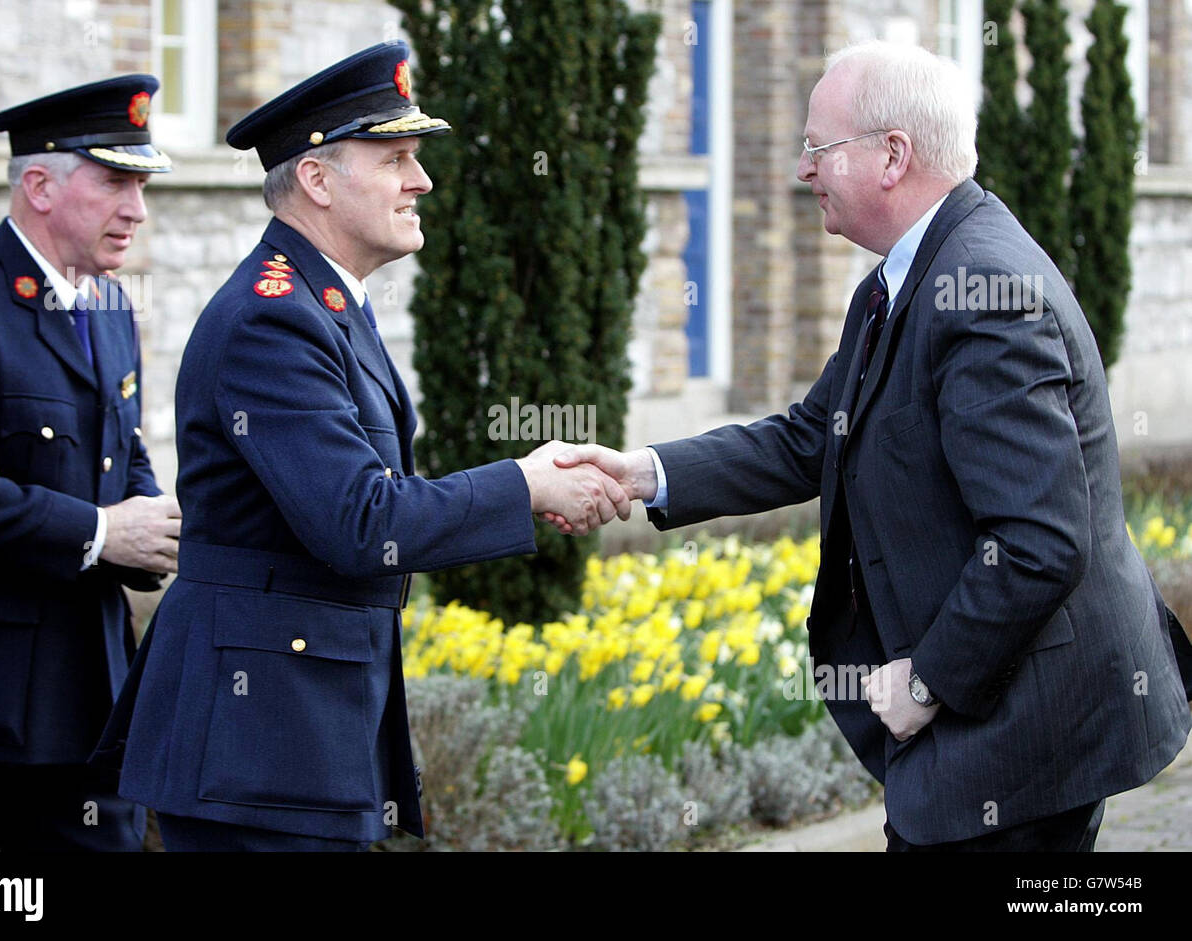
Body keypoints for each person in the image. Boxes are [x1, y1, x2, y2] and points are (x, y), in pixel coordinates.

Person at [550, 41, 1192, 851]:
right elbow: (812, 436)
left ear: (893, 156)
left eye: (818, 147)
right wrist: (644, 472)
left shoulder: (985, 297)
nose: (799, 169)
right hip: (992, 723)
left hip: (1022, 734)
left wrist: (927, 680)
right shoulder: (907, 273)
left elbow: (1039, 540)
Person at [97, 41, 628, 852]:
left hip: (295, 731)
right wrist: (523, 484)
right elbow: (359, 519)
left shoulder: (327, 304)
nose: (422, 181)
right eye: (399, 159)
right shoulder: (273, 318)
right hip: (257, 744)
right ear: (316, 179)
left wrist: (527, 484)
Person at [0, 75, 182, 851]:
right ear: (40, 185)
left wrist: (157, 527)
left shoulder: (111, 308)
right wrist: (99, 531)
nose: (137, 209)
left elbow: (123, 448)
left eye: (142, 184)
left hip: (90, 699)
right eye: (116, 181)